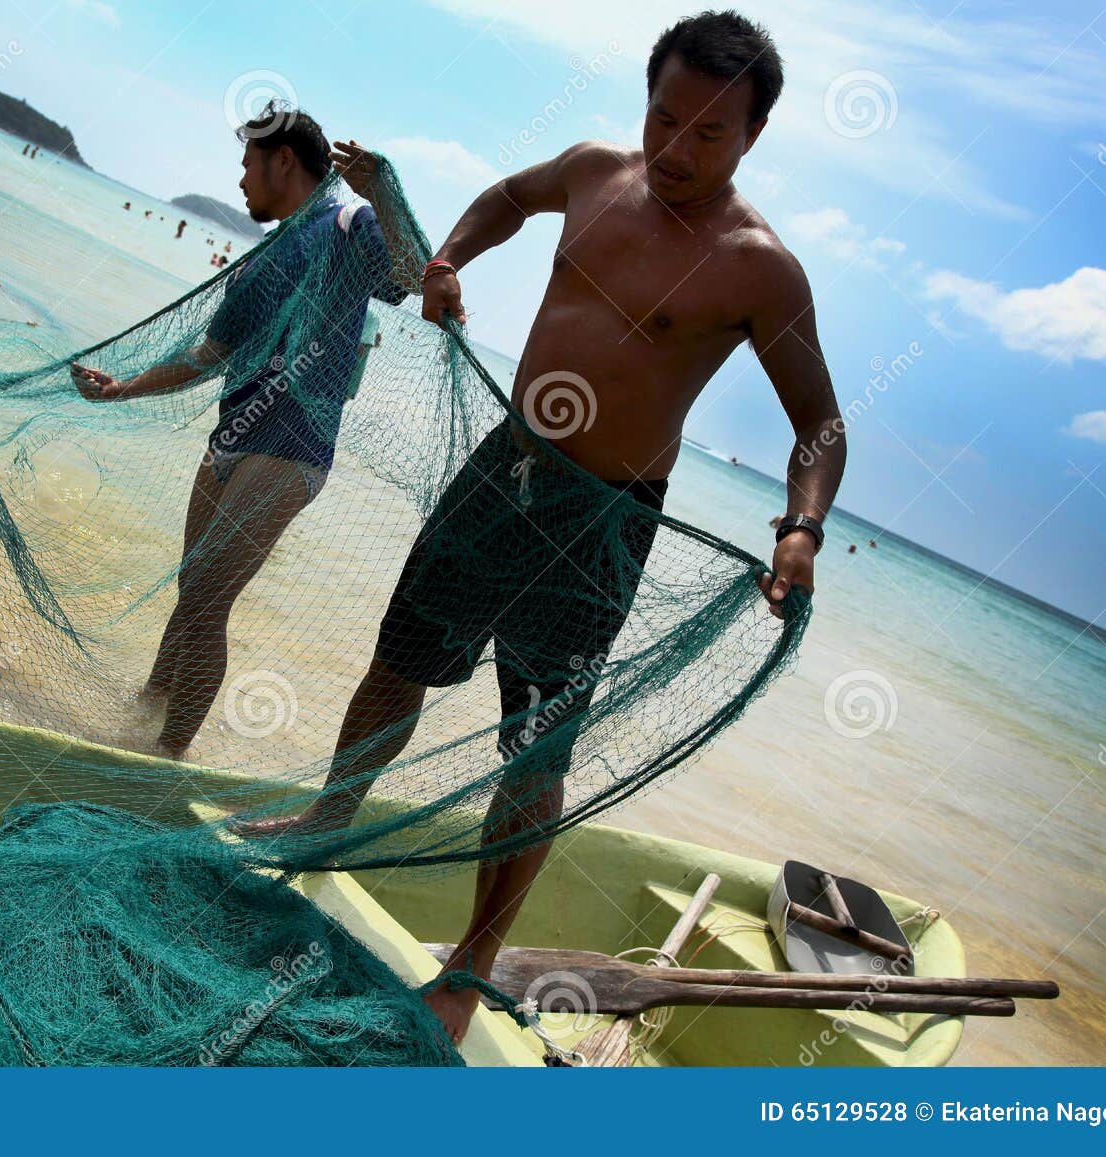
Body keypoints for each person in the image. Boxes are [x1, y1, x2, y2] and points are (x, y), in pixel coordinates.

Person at [233, 11, 845, 1044]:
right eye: (662, 118)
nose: (676, 149)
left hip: (600, 523)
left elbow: (818, 425)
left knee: (535, 748)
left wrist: (800, 528)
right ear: (642, 102)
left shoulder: (759, 269)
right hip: (505, 467)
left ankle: (472, 958)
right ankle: (328, 819)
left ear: (751, 138)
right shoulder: (593, 170)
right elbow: (505, 201)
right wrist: (448, 261)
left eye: (708, 133)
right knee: (399, 657)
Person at [69, 108, 412, 760]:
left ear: (284, 159)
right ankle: (143, 718)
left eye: (248, 163)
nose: (241, 180)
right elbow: (207, 355)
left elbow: (406, 276)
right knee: (190, 589)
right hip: (231, 438)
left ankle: (165, 758)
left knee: (205, 600)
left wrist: (385, 192)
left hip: (293, 445)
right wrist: (122, 388)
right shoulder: (261, 262)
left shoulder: (347, 224)